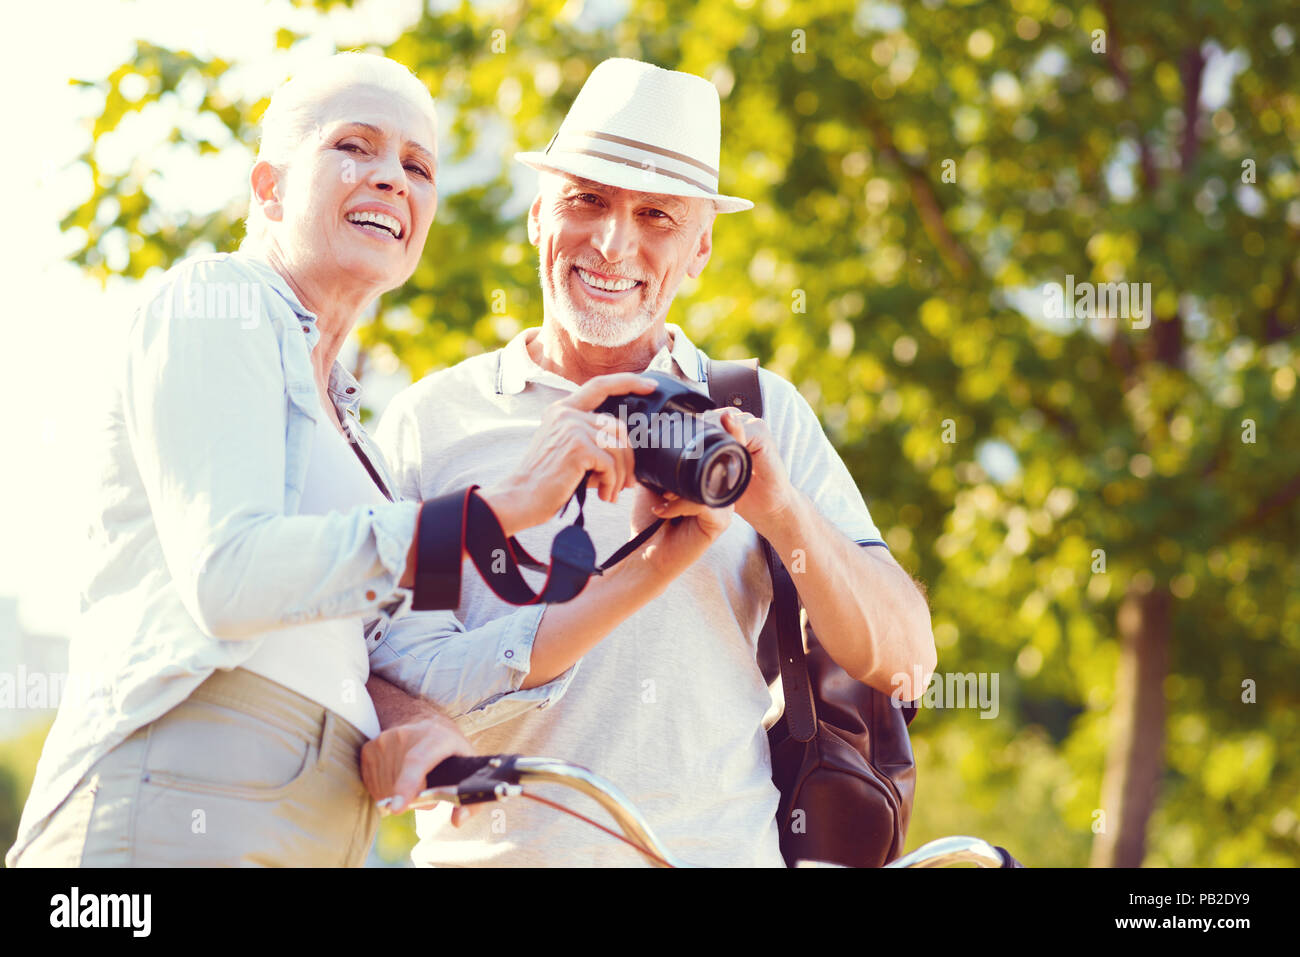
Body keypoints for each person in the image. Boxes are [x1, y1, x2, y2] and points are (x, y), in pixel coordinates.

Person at [7, 52, 729, 868]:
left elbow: (409, 665)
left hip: (319, 828)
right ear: (269, 189)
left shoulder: (356, 439)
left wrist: (660, 564)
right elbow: (230, 574)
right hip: (177, 797)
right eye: (355, 146)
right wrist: (498, 509)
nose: (392, 179)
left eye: (417, 166)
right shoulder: (218, 302)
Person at [371, 57, 937, 867]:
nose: (613, 243)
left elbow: (907, 657)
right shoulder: (435, 423)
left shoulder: (755, 413)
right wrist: (420, 735)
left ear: (701, 248)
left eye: (657, 218)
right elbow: (390, 661)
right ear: (538, 215)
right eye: (587, 200)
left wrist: (778, 509)